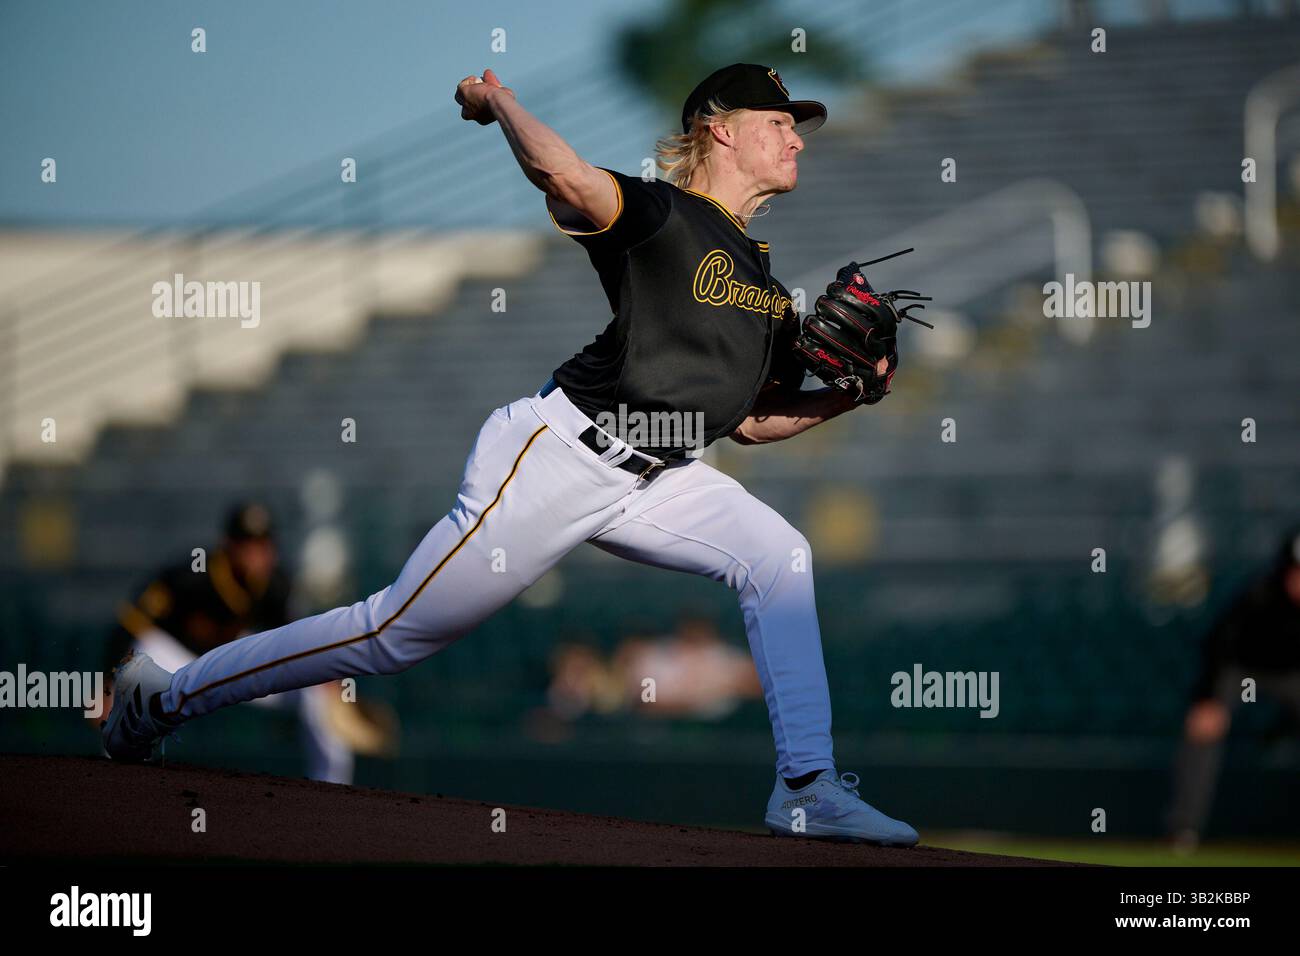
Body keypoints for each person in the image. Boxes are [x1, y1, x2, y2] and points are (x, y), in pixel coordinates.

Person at [103, 63, 918, 846]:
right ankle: (164, 697)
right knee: (391, 635)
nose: (797, 137)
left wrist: (851, 393)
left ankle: (807, 789)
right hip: (558, 456)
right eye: (780, 122)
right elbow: (565, 178)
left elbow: (752, 422)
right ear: (719, 130)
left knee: (780, 556)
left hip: (660, 474)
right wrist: (500, 103)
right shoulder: (663, 215)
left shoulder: (768, 286)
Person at [100, 503, 389, 784]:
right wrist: (108, 683)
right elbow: (131, 621)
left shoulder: (277, 584)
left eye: (263, 545)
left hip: (225, 662)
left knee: (314, 686)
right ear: (228, 545)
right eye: (248, 545)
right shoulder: (193, 573)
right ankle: (119, 768)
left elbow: (292, 643)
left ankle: (333, 785)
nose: (257, 554)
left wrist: (326, 676)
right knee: (143, 650)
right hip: (175, 657)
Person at [1165, 525, 1300, 849]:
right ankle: (1184, 830)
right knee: (1203, 726)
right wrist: (1208, 698)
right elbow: (1219, 645)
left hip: (1293, 677)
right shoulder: (1257, 595)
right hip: (1242, 669)